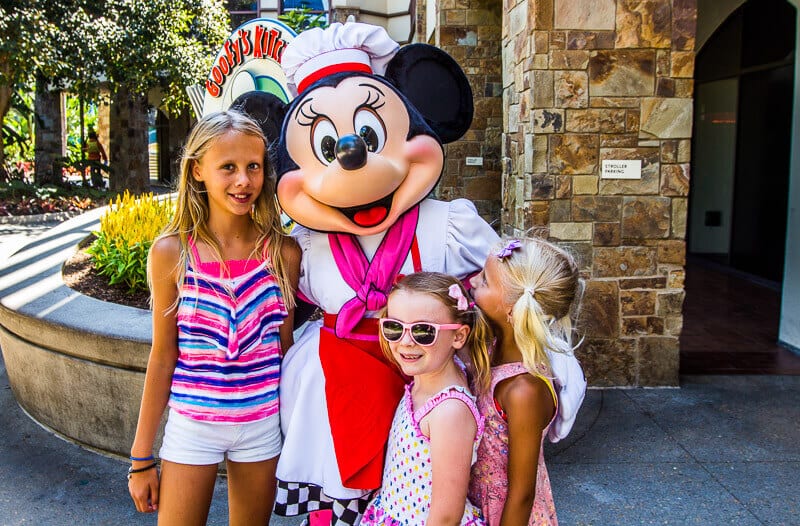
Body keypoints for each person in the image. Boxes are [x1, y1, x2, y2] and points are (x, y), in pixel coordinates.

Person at [127, 110, 301, 525]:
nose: (244, 181)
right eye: (228, 168)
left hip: (262, 427)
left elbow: (286, 348)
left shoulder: (284, 253)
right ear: (198, 170)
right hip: (192, 427)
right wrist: (140, 457)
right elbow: (163, 355)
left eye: (253, 167)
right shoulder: (172, 253)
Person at [468, 237, 583, 526]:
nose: (472, 280)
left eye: (484, 281)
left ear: (511, 308)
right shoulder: (493, 346)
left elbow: (521, 494)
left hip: (508, 514)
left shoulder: (524, 389)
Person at [361, 272, 492, 526]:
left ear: (458, 336)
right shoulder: (423, 381)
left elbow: (446, 515)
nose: (406, 342)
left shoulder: (449, 412)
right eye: (394, 327)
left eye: (423, 331)